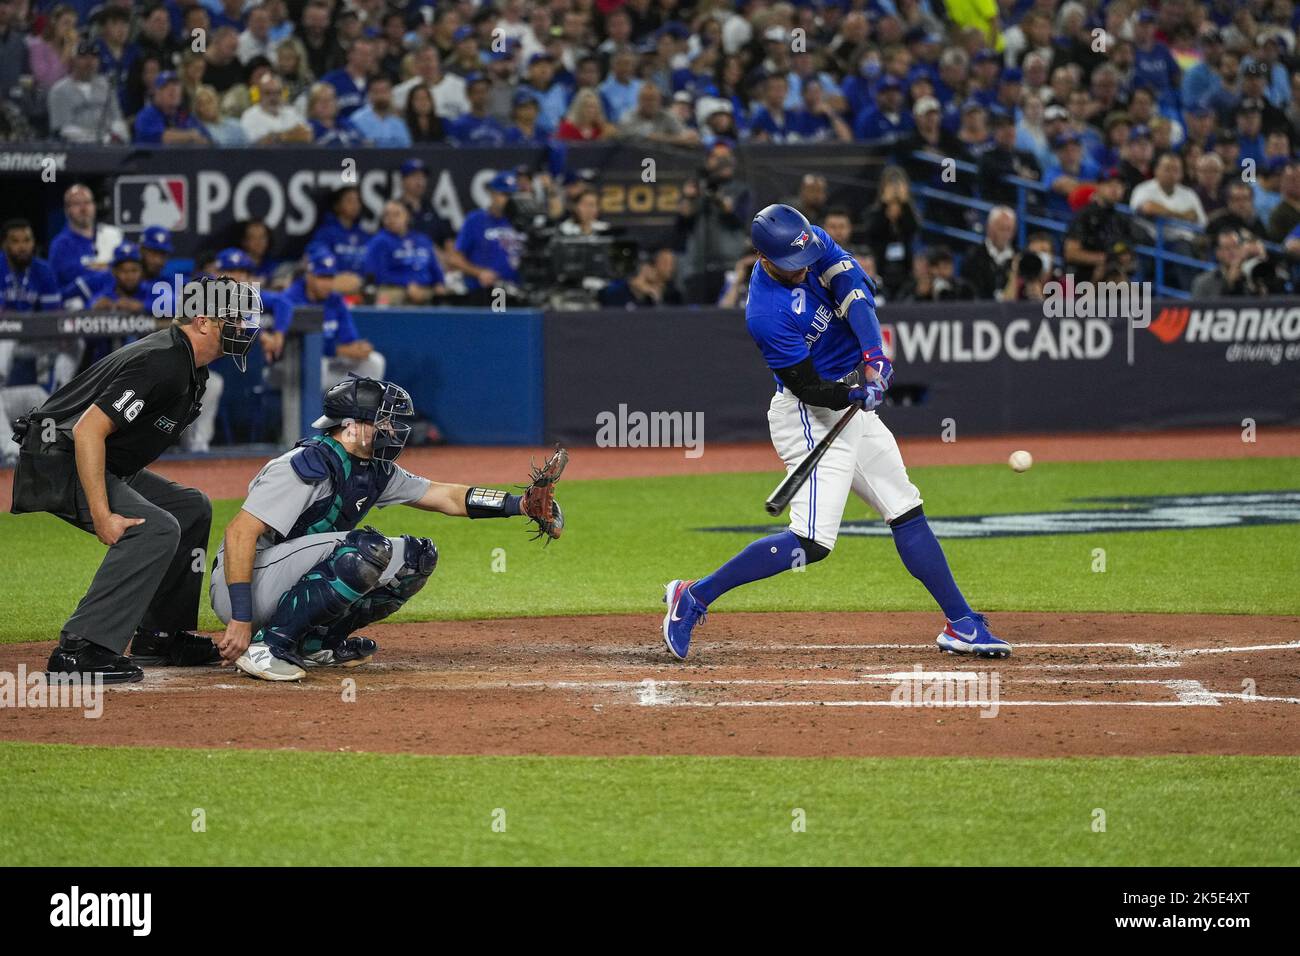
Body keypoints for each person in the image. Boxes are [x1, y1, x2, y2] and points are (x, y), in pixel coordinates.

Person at [661, 204, 1009, 661]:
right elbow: (807, 387)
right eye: (792, 267)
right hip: (808, 414)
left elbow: (855, 292)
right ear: (764, 260)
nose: (803, 270)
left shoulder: (808, 240)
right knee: (811, 543)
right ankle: (693, 597)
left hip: (850, 398)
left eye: (805, 260)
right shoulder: (764, 313)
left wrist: (873, 355)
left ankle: (961, 622)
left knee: (905, 508)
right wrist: (854, 396)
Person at [208, 377, 565, 681]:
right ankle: (266, 646)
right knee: (367, 549)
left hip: (284, 578)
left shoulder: (374, 470)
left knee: (416, 557)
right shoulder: (306, 465)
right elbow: (239, 534)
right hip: (245, 583)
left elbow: (445, 496)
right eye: (383, 421)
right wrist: (240, 618)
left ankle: (317, 644)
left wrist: (518, 504)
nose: (392, 430)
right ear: (350, 425)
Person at [11, 276, 260, 682]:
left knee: (191, 506)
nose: (244, 327)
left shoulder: (189, 366)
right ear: (201, 320)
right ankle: (79, 649)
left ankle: (160, 636)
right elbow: (88, 430)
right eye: (233, 318)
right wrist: (102, 513)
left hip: (95, 459)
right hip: (59, 458)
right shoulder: (163, 360)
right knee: (155, 528)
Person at [283, 249, 385, 389]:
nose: (328, 283)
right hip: (296, 364)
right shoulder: (291, 298)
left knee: (374, 361)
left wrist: (358, 348)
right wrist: (339, 350)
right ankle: (312, 410)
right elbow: (297, 345)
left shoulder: (335, 299)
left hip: (331, 361)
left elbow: (349, 337)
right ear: (309, 276)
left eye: (330, 277)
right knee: (317, 365)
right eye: (322, 277)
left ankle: (353, 409)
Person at [675, 140, 751, 304]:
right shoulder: (696, 187)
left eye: (727, 157)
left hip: (729, 265)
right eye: (717, 157)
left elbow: (738, 217)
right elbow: (683, 217)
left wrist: (717, 197)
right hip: (698, 265)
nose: (724, 161)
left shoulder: (741, 189)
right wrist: (690, 196)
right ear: (708, 161)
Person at [446, 172, 524, 292]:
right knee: (499, 310)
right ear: (492, 194)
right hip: (490, 290)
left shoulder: (521, 221)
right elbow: (455, 259)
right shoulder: (476, 220)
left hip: (519, 289)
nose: (509, 199)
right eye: (505, 194)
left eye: (512, 195)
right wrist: (479, 273)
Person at [363, 201, 447, 305]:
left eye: (396, 214)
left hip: (426, 289)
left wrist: (440, 283)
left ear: (407, 216)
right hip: (396, 289)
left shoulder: (422, 240)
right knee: (386, 296)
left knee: (446, 295)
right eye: (387, 215)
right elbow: (377, 274)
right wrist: (407, 284)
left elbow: (435, 268)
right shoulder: (379, 241)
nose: (391, 219)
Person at [48, 37, 128, 144]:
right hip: (75, 149)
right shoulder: (59, 90)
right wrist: (97, 140)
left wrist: (115, 136)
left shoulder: (107, 86)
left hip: (108, 147)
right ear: (73, 60)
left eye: (94, 57)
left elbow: (117, 120)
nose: (89, 62)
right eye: (83, 57)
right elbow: (63, 129)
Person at [308, 185, 370, 295]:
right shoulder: (326, 233)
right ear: (337, 205)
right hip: (335, 285)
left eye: (357, 201)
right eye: (349, 201)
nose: (355, 205)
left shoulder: (364, 235)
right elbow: (318, 256)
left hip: (361, 287)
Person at [134, 72, 211, 146]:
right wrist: (191, 136)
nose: (173, 89)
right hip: (153, 158)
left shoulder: (185, 115)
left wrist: (199, 138)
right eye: (165, 86)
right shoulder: (147, 115)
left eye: (176, 85)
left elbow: (208, 140)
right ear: (156, 93)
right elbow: (162, 138)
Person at [962, 206, 1018, 300]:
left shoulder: (1018, 256)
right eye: (1001, 228)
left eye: (1009, 229)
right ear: (989, 228)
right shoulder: (973, 256)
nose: (1006, 234)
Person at [240, 72, 312, 144]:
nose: (273, 97)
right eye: (268, 93)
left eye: (278, 93)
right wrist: (284, 136)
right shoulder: (250, 115)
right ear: (259, 95)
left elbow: (307, 135)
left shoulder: (291, 112)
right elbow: (253, 144)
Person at [348, 75, 411, 147]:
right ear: (369, 94)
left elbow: (406, 147)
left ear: (391, 93)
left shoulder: (399, 121)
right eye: (376, 92)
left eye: (384, 91)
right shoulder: (356, 120)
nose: (381, 96)